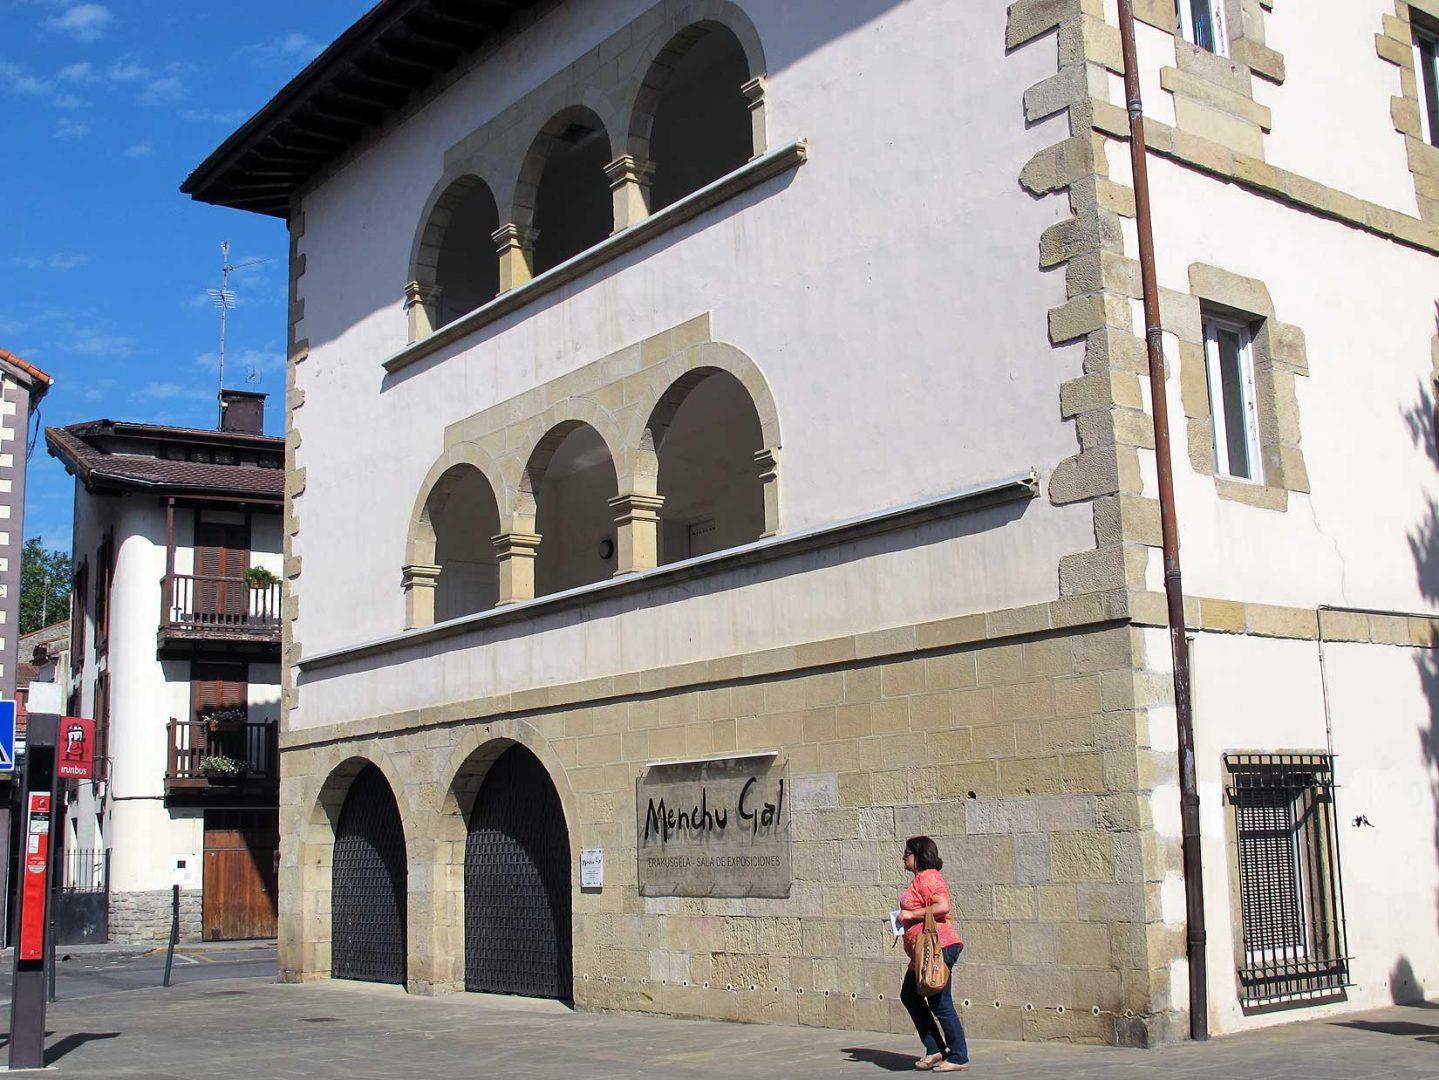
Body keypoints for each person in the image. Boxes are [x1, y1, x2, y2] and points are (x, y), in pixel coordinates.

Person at [897, 835, 968, 1072]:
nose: (903, 857)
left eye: (907, 853)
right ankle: (936, 1048)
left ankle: (958, 1056)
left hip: (937, 948)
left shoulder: (928, 877)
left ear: (918, 855)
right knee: (910, 994)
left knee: (940, 1002)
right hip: (923, 953)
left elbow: (943, 906)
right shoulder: (920, 879)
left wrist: (910, 916)